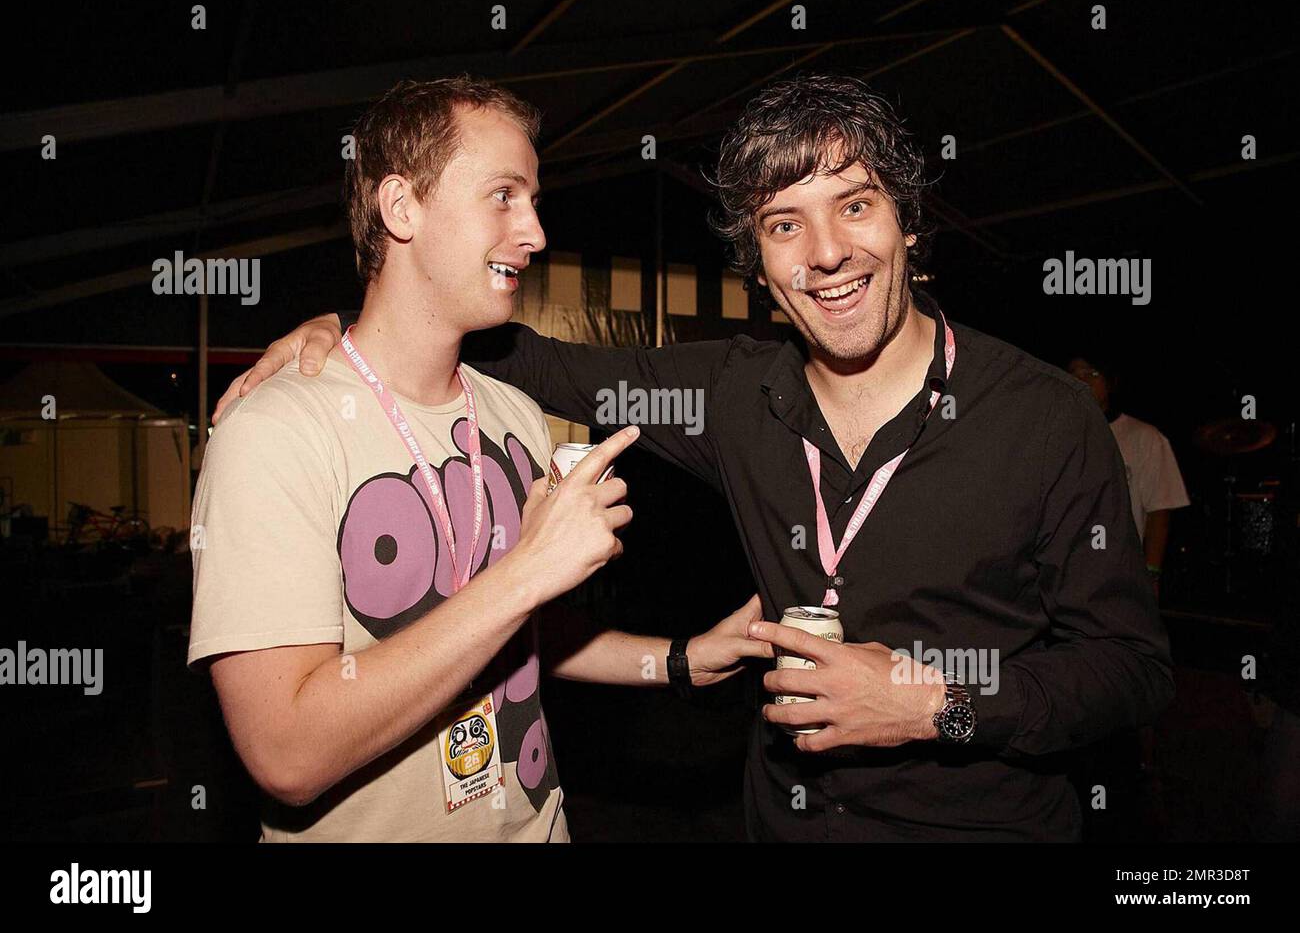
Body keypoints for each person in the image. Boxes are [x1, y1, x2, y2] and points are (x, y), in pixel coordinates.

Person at [220, 72, 1174, 841]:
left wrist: (937, 705)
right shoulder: (731, 393)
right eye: (785, 224)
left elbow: (1131, 670)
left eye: (856, 205)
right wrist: (332, 331)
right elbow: (522, 351)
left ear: (909, 221)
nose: (830, 251)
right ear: (758, 265)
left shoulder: (1045, 420)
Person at [189, 77, 766, 842]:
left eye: (532, 199)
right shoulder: (274, 433)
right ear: (402, 209)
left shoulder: (512, 413)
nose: (533, 232)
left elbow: (515, 631)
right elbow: (286, 755)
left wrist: (683, 659)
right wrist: (528, 569)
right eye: (503, 195)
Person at [1066, 353, 1190, 599]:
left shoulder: (1145, 437)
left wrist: (1152, 572)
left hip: (1120, 573)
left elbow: (1159, 510)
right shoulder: (1056, 433)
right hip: (1067, 572)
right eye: (1075, 374)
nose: (1082, 381)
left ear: (1110, 382)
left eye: (1092, 374)